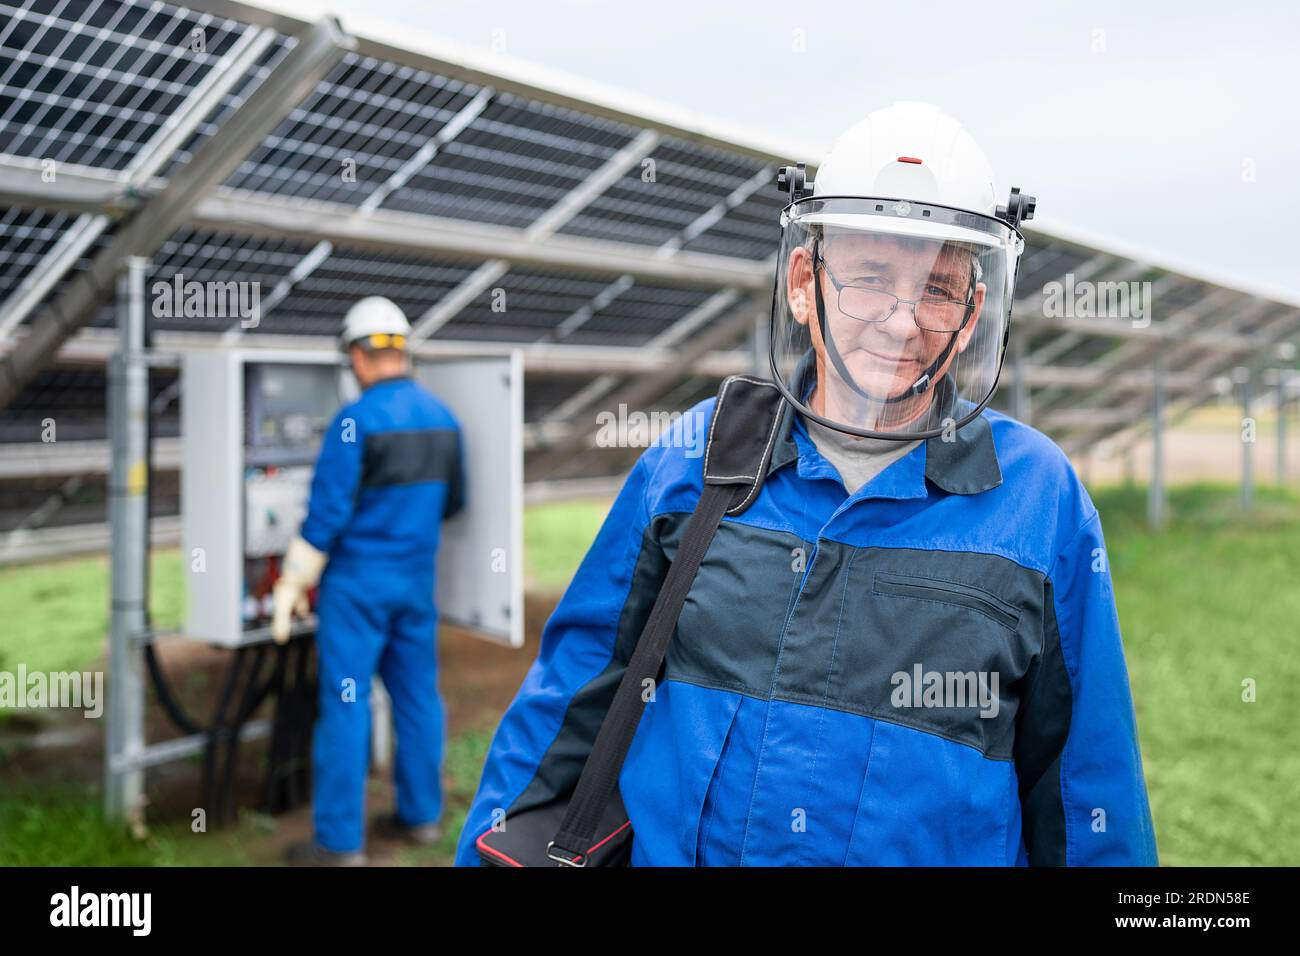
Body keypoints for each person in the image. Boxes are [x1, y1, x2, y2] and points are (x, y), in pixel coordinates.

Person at [456, 102, 1157, 866]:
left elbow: (1087, 783)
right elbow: (569, 705)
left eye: (937, 288)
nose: (900, 321)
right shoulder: (698, 457)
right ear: (802, 280)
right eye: (869, 279)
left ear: (974, 308)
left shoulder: (1038, 498)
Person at [273, 296, 465, 866]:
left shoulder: (354, 422)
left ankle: (338, 844)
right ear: (402, 352)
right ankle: (422, 818)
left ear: (357, 356)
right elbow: (457, 502)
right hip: (414, 583)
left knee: (347, 705)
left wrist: (290, 581)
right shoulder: (443, 417)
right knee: (416, 698)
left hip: (357, 589)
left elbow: (327, 516)